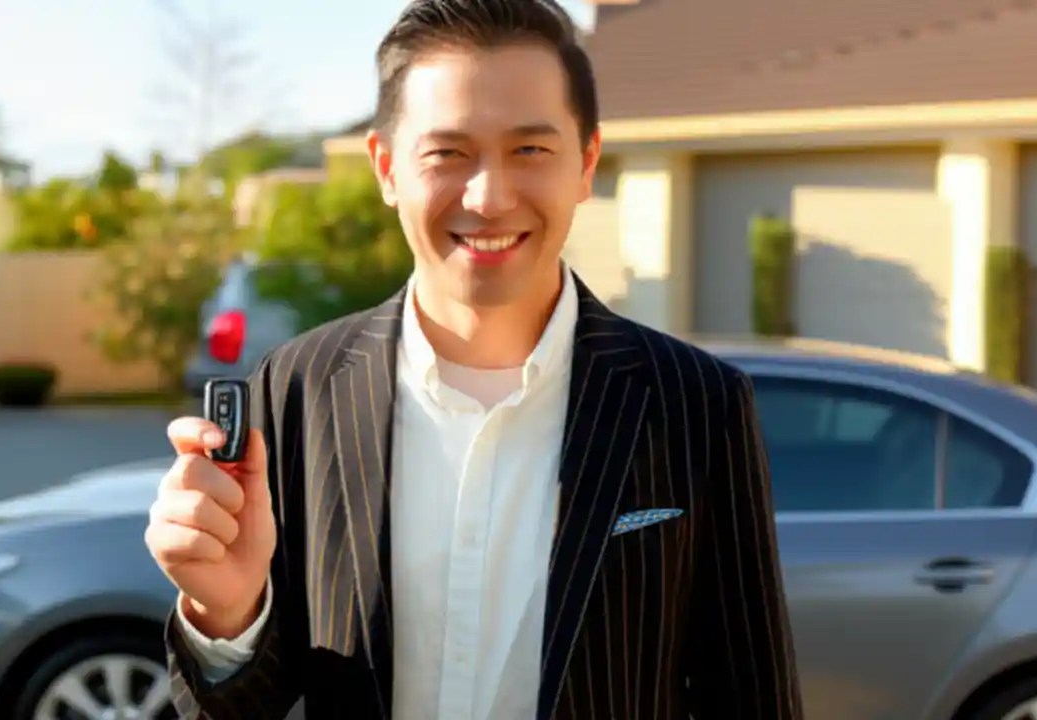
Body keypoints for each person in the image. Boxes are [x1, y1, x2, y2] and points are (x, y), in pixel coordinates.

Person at [144, 0, 804, 717]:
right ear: (387, 168)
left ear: (585, 164)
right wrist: (228, 617)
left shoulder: (694, 405)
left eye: (530, 150)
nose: (488, 197)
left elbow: (752, 697)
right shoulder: (302, 390)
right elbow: (239, 708)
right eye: (448, 153)